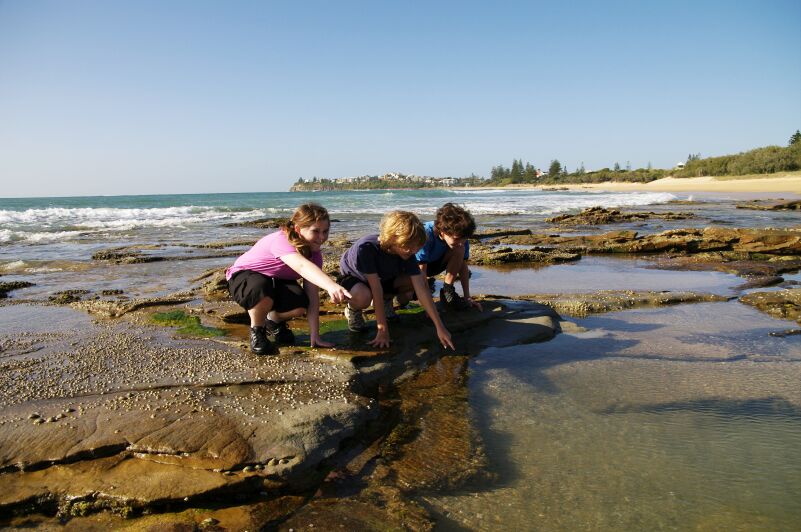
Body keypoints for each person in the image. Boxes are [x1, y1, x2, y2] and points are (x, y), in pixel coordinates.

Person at [226, 203, 351, 355]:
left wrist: (315, 335)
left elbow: (312, 295)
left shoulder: (315, 256)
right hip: (244, 278)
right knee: (261, 287)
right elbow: (301, 266)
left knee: (300, 303)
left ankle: (272, 320)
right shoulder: (282, 240)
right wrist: (331, 285)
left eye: (325, 231)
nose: (322, 237)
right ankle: (257, 331)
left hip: (274, 281)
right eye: (315, 231)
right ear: (298, 229)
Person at [338, 210, 456, 350]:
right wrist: (382, 330)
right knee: (364, 297)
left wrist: (439, 326)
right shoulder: (367, 248)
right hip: (354, 279)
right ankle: (353, 310)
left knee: (417, 280)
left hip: (383, 278)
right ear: (393, 238)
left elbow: (421, 288)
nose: (413, 251)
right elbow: (376, 289)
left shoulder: (407, 253)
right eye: (410, 247)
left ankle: (387, 300)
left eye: (416, 248)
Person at [416, 202, 482, 311]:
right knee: (404, 298)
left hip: (437, 263)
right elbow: (421, 272)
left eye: (464, 238)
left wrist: (467, 297)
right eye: (456, 239)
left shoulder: (461, 235)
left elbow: (463, 266)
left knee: (459, 249)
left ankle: (447, 289)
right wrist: (429, 305)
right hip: (416, 268)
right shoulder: (425, 234)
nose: (461, 242)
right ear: (442, 232)